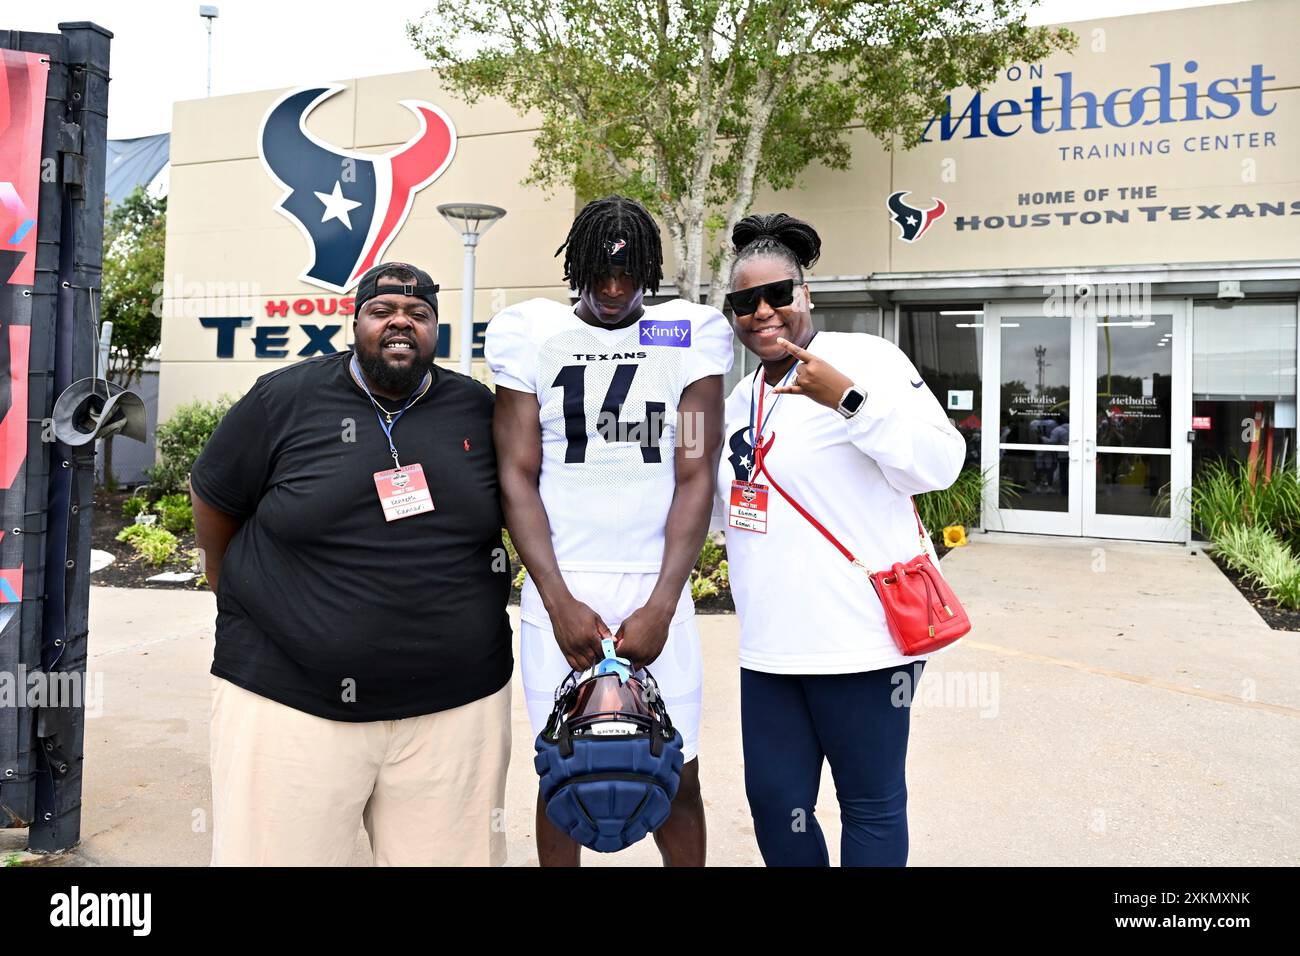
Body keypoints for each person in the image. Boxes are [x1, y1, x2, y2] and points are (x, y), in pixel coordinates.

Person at [190, 261, 513, 866]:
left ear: (436, 329)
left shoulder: (476, 409)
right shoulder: (283, 399)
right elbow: (216, 502)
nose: (400, 323)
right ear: (355, 322)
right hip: (288, 704)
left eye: (418, 314)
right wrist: (235, 591)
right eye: (382, 310)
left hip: (456, 709)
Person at [486, 195, 732, 866]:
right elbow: (518, 474)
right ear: (576, 269)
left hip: (659, 588)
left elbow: (694, 469)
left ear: (650, 270)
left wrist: (662, 601)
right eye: (601, 275)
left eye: (630, 276)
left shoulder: (684, 333)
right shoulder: (530, 332)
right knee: (562, 767)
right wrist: (558, 600)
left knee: (677, 771)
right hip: (561, 587)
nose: (616, 290)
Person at [716, 213, 965, 866]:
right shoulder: (739, 396)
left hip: (864, 644)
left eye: (778, 294)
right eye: (745, 301)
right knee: (775, 804)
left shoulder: (867, 360)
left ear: (807, 294)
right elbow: (727, 508)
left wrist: (849, 401)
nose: (762, 311)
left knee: (871, 804)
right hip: (770, 649)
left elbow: (941, 463)